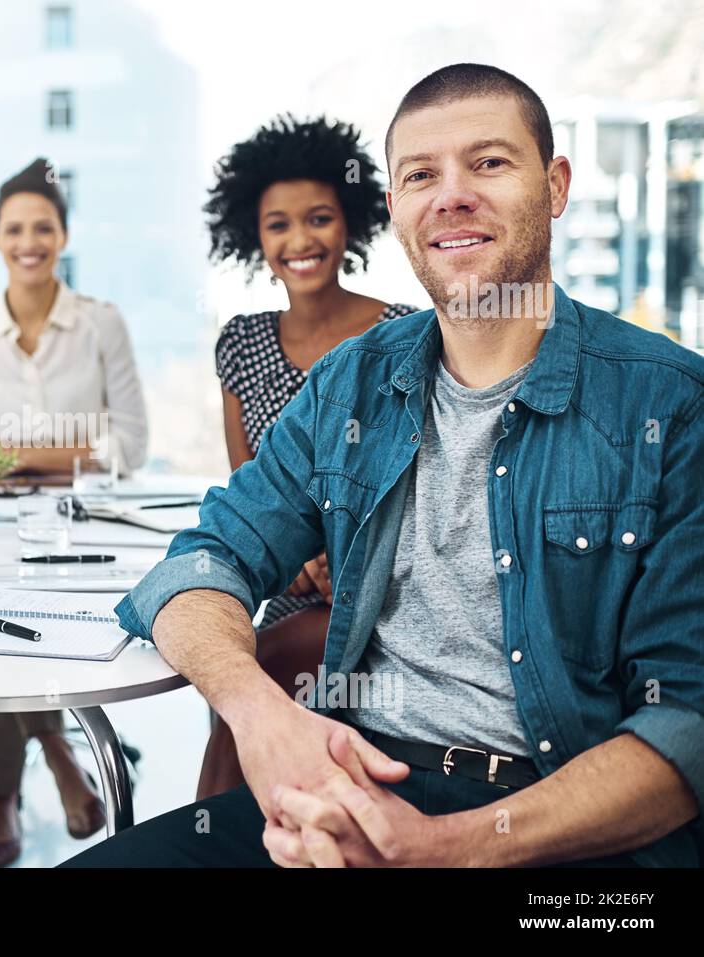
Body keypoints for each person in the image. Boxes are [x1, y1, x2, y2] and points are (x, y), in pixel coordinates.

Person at [65, 63, 703, 868]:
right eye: (420, 175)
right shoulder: (351, 382)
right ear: (397, 207)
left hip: (567, 838)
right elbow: (202, 561)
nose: (452, 195)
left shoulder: (669, 401)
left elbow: (687, 726)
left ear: (555, 184)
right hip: (357, 795)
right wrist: (263, 720)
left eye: (489, 163)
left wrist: (442, 848)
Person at [0, 157, 148, 865]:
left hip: (81, 522)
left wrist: (14, 452)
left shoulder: (100, 324)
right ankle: (53, 750)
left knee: (12, 629)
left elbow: (132, 444)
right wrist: (65, 446)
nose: (29, 240)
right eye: (14, 228)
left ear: (64, 234)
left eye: (43, 227)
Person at [200, 116, 418, 798]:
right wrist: (294, 560)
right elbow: (249, 491)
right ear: (253, 237)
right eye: (278, 225)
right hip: (281, 594)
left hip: (384, 602)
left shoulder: (405, 333)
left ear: (349, 224)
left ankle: (218, 833)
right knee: (233, 669)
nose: (299, 240)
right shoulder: (242, 342)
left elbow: (422, 493)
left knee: (271, 675)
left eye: (319, 218)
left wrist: (346, 565)